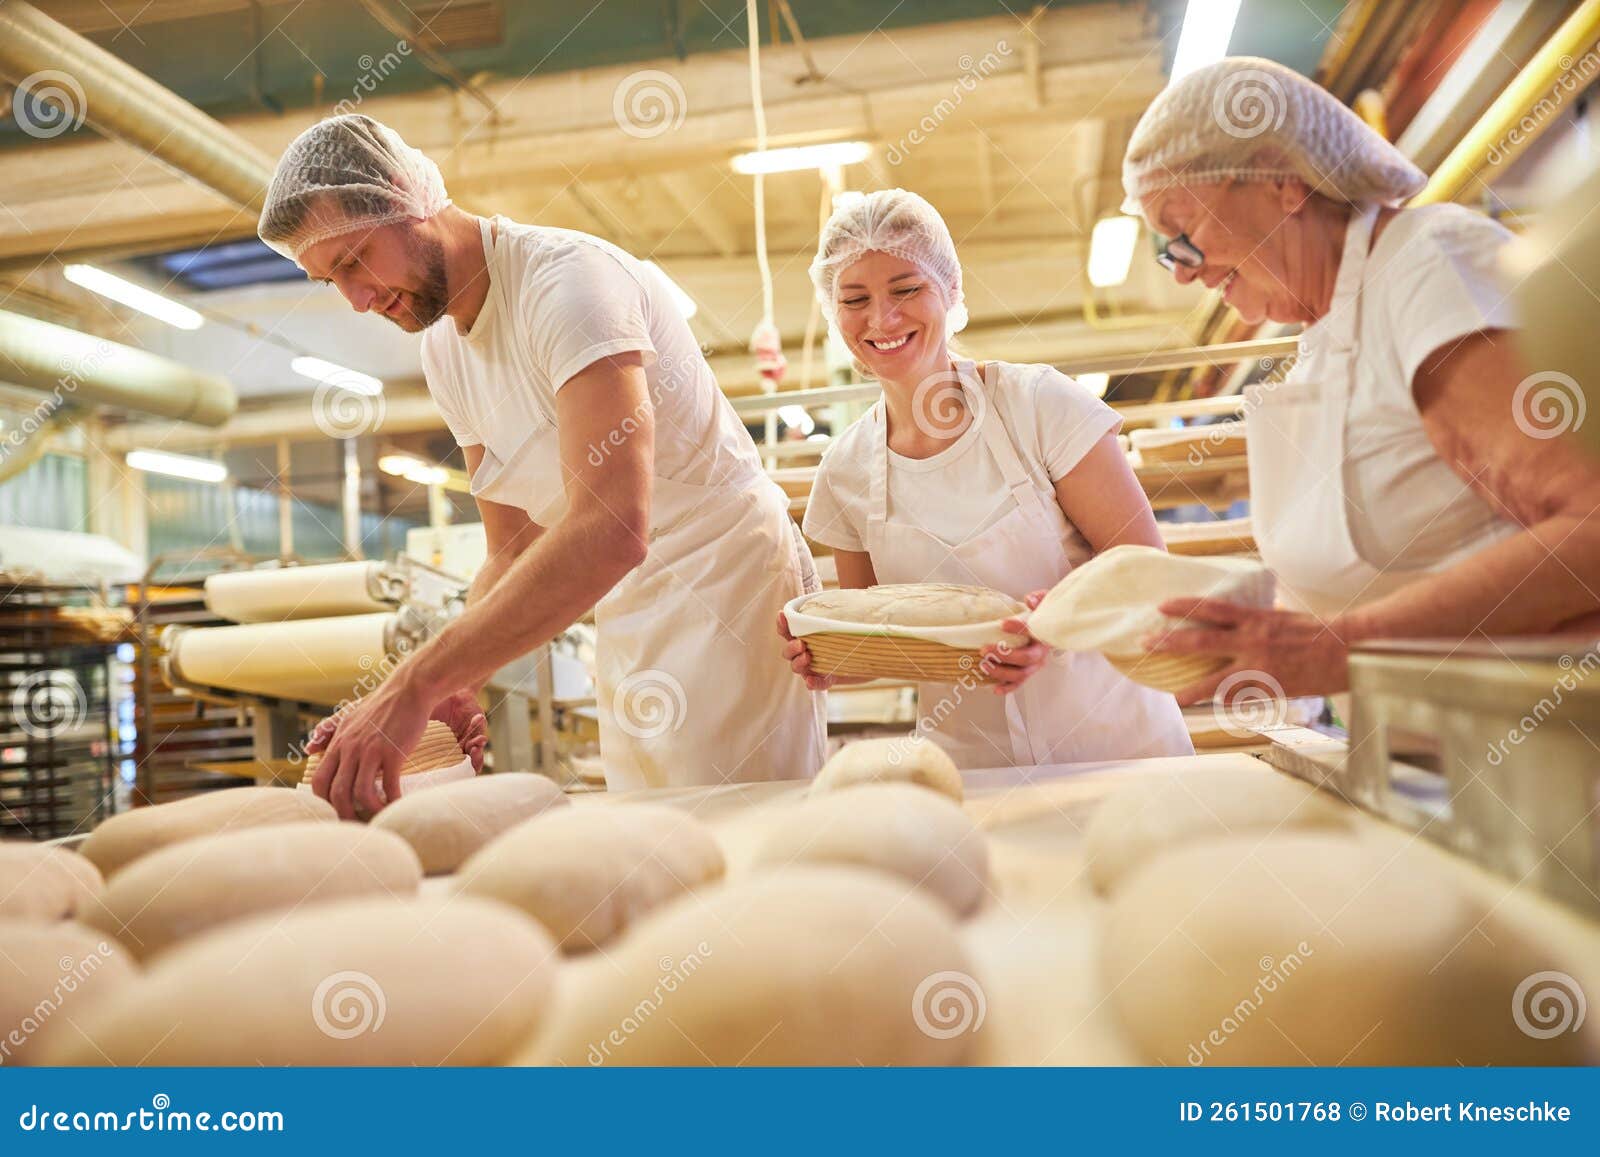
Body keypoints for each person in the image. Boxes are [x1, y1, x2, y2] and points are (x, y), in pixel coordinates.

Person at [258, 115, 824, 813]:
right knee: (654, 831)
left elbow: (613, 527)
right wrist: (460, 680)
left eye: (354, 260)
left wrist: (415, 684)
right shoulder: (445, 352)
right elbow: (512, 547)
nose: (357, 299)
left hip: (726, 584)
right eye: (329, 281)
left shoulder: (568, 285)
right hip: (627, 605)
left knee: (743, 828)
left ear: (407, 197)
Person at [1120, 58, 1600, 704]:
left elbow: (1591, 524)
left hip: (1555, 733)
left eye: (1184, 231)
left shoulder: (1428, 268)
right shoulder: (1321, 345)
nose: (1182, 271)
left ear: (1280, 179)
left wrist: (1340, 647)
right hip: (1432, 741)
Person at [781, 189, 1192, 769]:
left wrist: (1049, 634)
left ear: (949, 289)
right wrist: (829, 658)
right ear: (832, 309)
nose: (882, 319)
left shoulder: (1039, 405)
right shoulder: (845, 470)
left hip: (1117, 747)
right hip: (975, 768)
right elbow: (882, 638)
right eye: (855, 299)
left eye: (906, 290)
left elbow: (1145, 569)